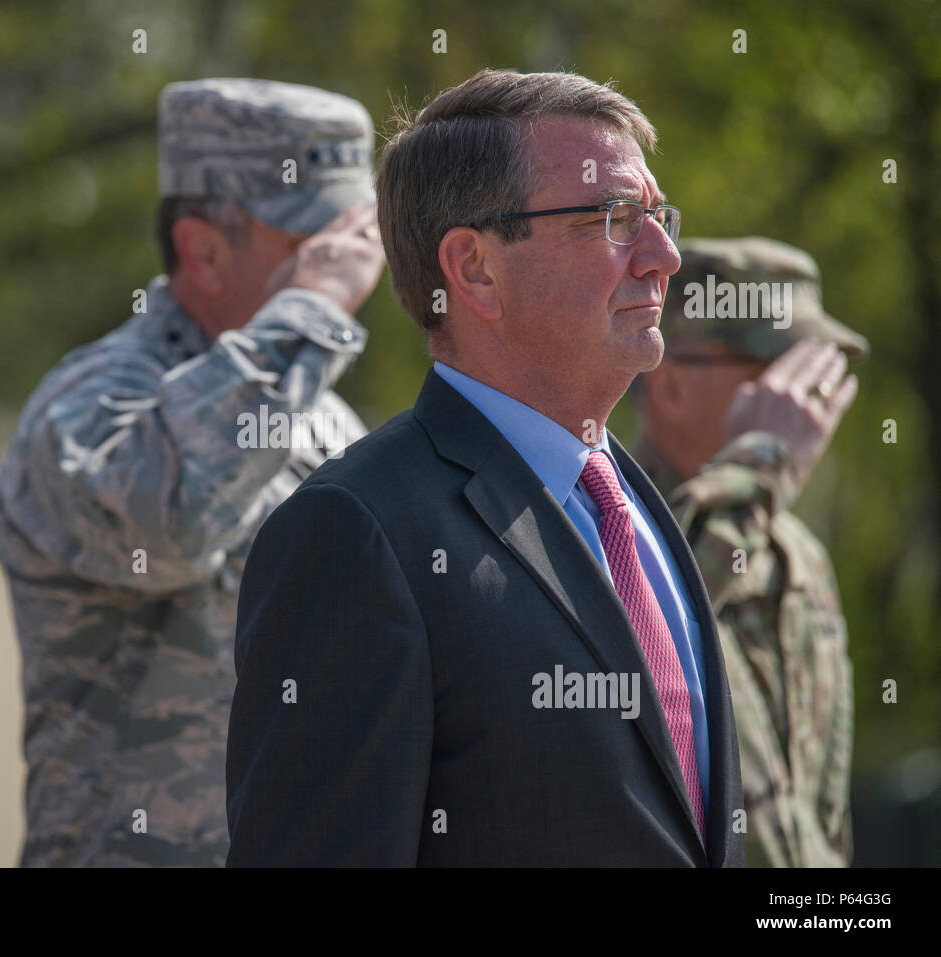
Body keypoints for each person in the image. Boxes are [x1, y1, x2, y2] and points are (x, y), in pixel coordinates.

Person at [226, 68, 745, 866]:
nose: (664, 256)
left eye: (657, 215)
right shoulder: (354, 533)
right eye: (614, 217)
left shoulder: (638, 506)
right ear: (472, 269)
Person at [0, 78, 385, 866]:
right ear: (203, 250)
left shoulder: (323, 416)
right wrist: (310, 310)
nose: (356, 269)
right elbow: (177, 519)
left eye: (359, 238)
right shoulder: (93, 409)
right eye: (317, 249)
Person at [631, 237, 866, 867]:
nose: (805, 403)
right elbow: (647, 637)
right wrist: (759, 469)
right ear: (670, 385)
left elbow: (821, 811)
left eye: (820, 370)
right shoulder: (606, 529)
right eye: (779, 373)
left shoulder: (798, 554)